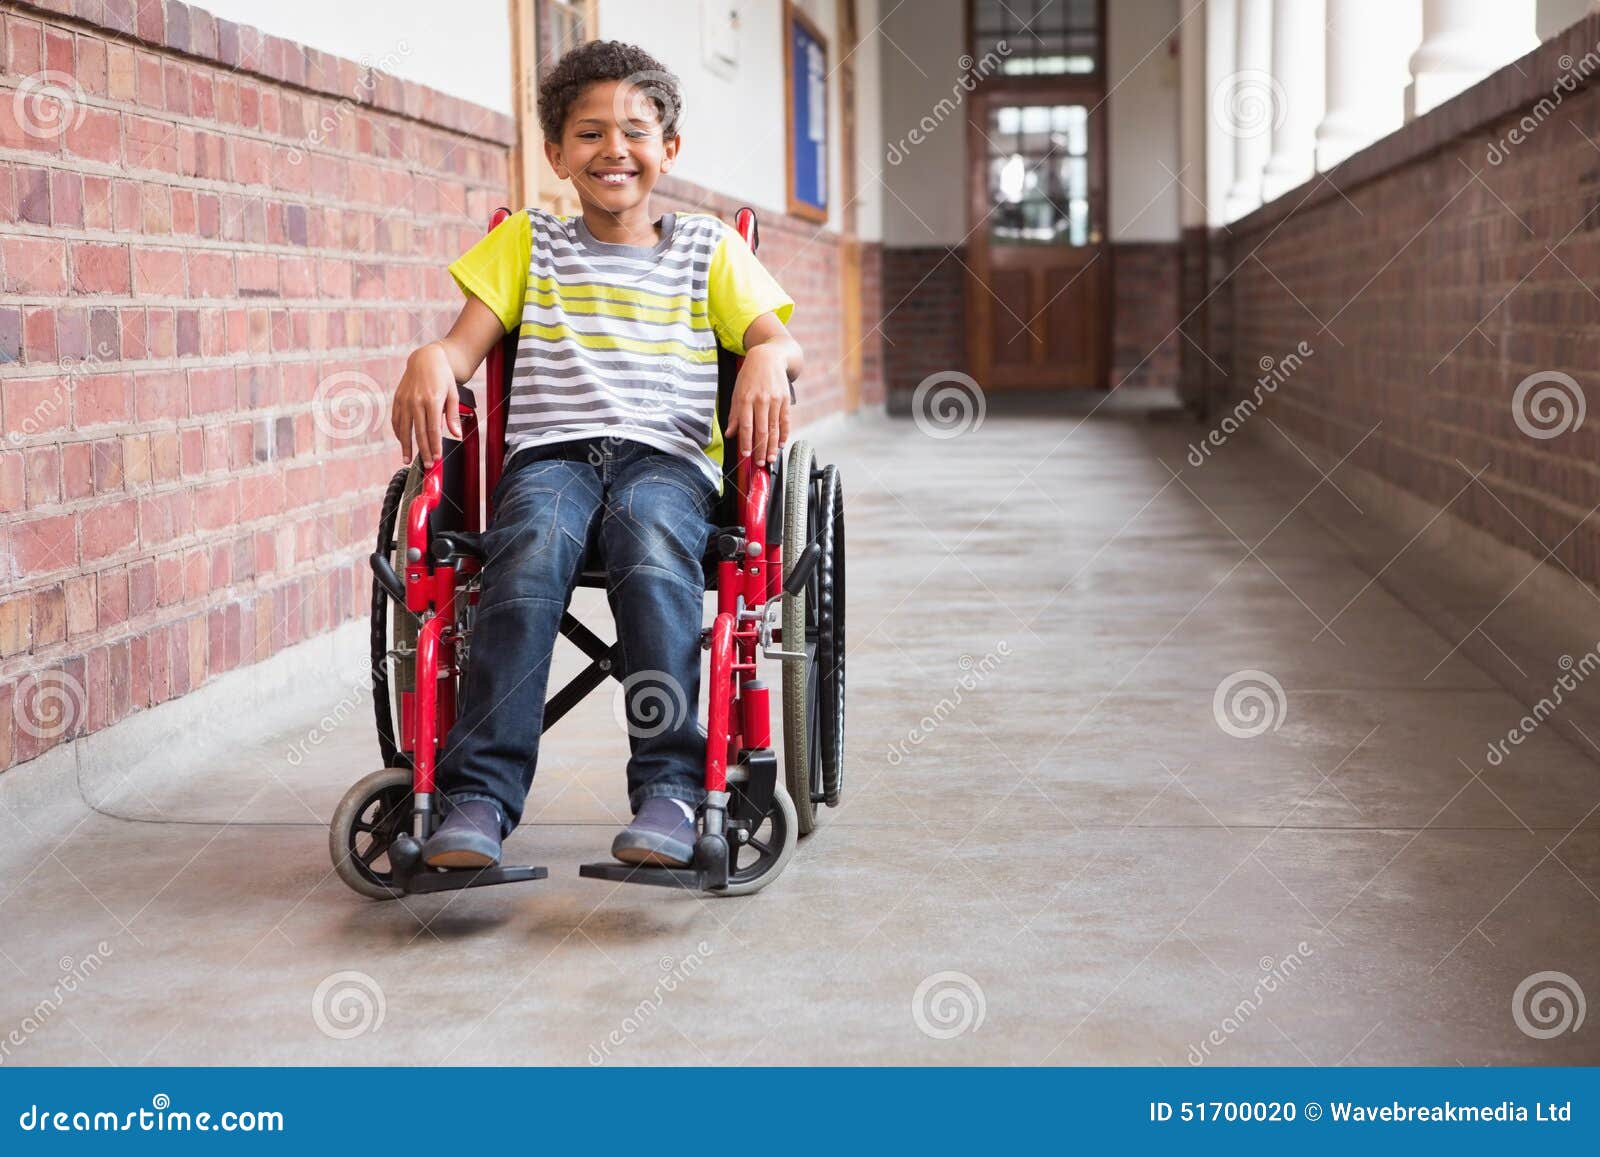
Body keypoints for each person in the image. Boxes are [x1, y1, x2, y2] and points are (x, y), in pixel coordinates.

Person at [388, 40, 801, 871]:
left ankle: (673, 793)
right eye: (588, 134)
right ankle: (477, 797)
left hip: (667, 464)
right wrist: (429, 358)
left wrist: (765, 354)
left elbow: (780, 342)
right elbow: (459, 351)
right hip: (553, 458)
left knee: (651, 543)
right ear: (555, 156)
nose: (614, 149)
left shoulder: (709, 248)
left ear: (669, 149)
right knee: (529, 548)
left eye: (636, 131)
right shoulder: (528, 245)